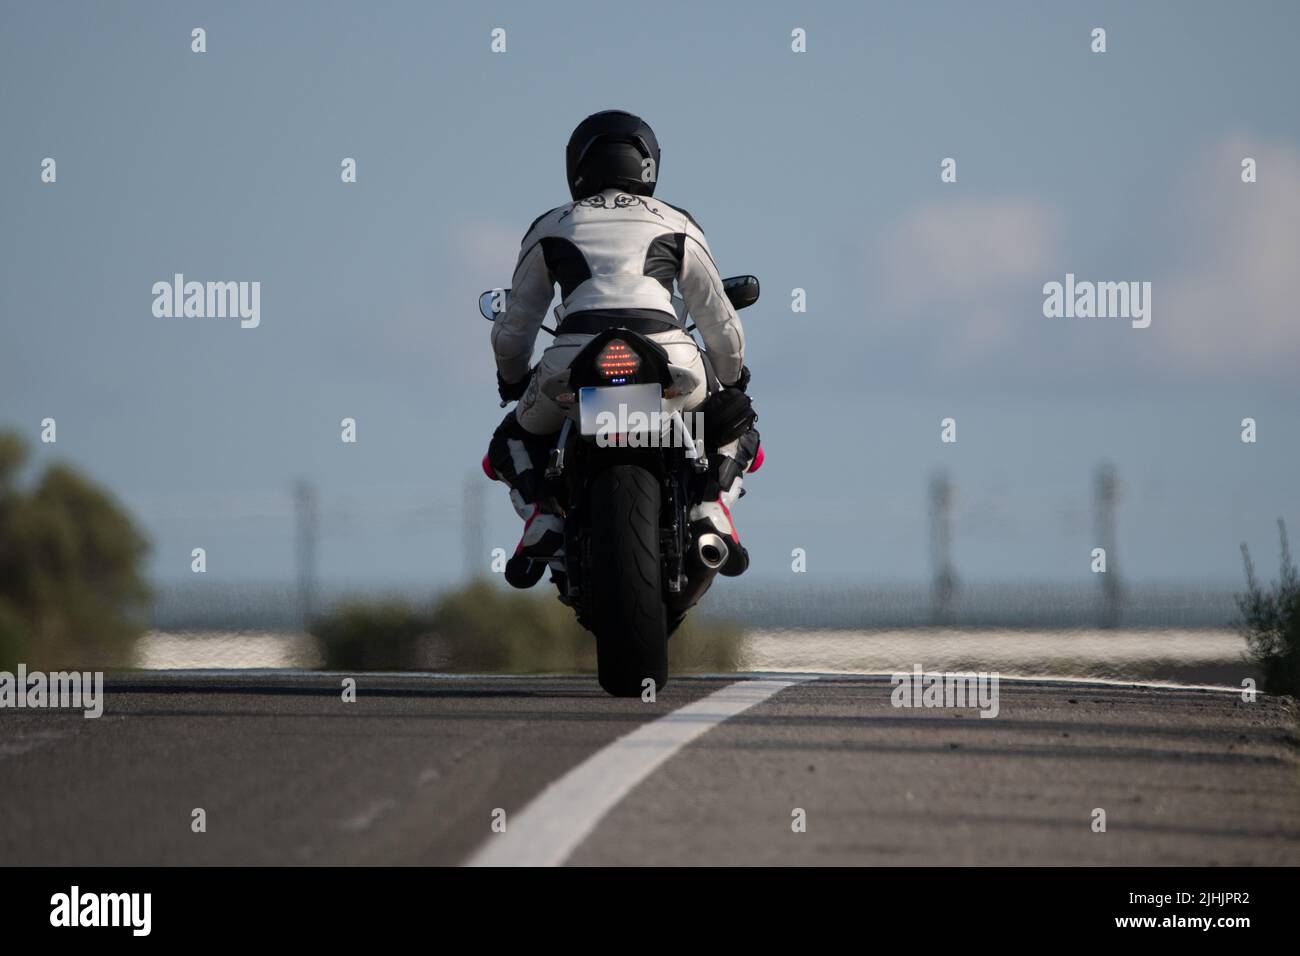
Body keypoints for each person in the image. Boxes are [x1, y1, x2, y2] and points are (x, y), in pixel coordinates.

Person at [483, 110, 761, 588]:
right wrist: (732, 379)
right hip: (671, 356)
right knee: (739, 422)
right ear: (648, 164)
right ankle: (712, 509)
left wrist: (511, 380)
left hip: (570, 360)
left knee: (508, 443)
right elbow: (719, 320)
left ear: (577, 166)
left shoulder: (549, 225)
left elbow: (515, 328)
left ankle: (543, 518)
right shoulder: (679, 222)